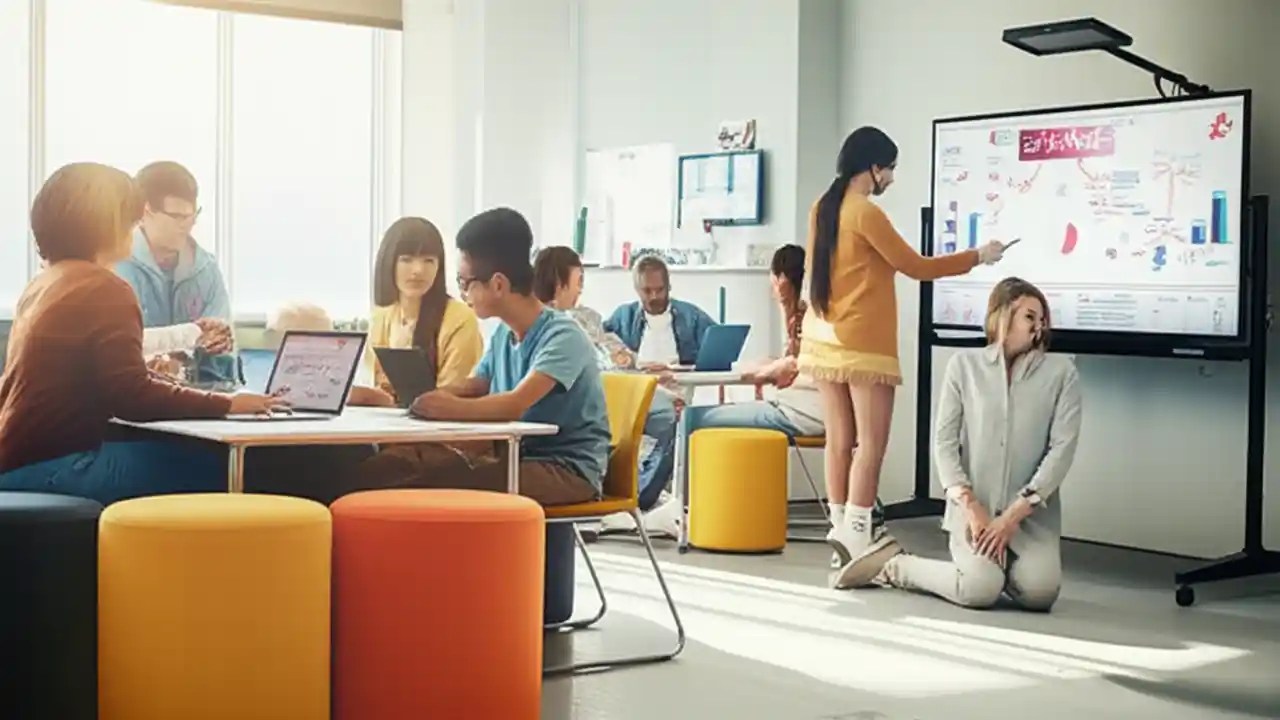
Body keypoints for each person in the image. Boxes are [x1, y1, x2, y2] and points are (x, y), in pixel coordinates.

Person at [0, 163, 286, 505]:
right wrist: (228, 404)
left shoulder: (45, 283)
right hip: (61, 464)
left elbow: (92, 379)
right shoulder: (105, 287)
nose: (135, 228)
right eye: (131, 219)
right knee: (237, 467)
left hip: (17, 461)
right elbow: (131, 396)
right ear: (104, 225)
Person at [798, 126, 1006, 578]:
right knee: (871, 444)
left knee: (839, 441)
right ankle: (857, 531)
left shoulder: (823, 207)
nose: (890, 178)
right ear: (872, 167)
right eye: (889, 168)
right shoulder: (865, 213)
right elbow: (916, 266)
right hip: (864, 344)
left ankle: (840, 527)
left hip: (823, 341)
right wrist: (979, 255)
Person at [835, 278, 1082, 609]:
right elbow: (944, 442)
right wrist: (971, 506)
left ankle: (1001, 567)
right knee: (979, 590)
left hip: (1028, 518)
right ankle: (894, 566)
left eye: (1042, 320)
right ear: (1002, 315)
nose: (1039, 327)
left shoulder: (1062, 372)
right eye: (1029, 317)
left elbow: (1061, 451)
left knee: (1040, 593)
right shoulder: (964, 367)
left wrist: (1010, 518)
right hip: (973, 512)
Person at [354, 208, 609, 506]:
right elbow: (477, 384)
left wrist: (447, 408)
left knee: (438, 487)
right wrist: (429, 396)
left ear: (498, 284)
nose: (463, 294)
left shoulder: (563, 336)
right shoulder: (505, 334)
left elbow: (514, 404)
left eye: (465, 283)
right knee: (390, 468)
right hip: (511, 456)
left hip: (565, 468)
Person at [532, 246, 681, 532]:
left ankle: (638, 494)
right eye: (578, 282)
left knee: (672, 412)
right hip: (598, 395)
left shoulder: (586, 316)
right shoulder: (549, 323)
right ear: (560, 283)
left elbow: (614, 349)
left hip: (617, 386)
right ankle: (636, 497)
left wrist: (639, 365)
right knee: (670, 413)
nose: (581, 290)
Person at [677, 244, 825, 488]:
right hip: (806, 411)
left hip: (798, 414)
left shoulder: (803, 319)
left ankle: (679, 504)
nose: (771, 289)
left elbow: (788, 370)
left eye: (773, 279)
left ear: (781, 279)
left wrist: (757, 371)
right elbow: (791, 363)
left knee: (689, 418)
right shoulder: (809, 315)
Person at [114, 161, 236, 386]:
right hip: (133, 397)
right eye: (177, 217)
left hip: (202, 397)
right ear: (144, 211)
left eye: (192, 216)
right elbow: (115, 348)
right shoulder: (115, 266)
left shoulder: (206, 269)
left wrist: (206, 349)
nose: (187, 226)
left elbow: (220, 348)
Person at [349, 217, 484, 407]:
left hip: (442, 429)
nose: (418, 270)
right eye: (406, 259)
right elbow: (381, 387)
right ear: (389, 262)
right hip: (390, 427)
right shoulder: (381, 317)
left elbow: (453, 396)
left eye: (429, 260)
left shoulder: (459, 319)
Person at [605, 255, 717, 368]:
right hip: (638, 383)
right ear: (637, 289)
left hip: (681, 382)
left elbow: (718, 344)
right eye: (647, 291)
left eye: (660, 290)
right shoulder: (623, 318)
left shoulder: (692, 317)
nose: (654, 297)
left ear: (669, 287)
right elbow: (599, 344)